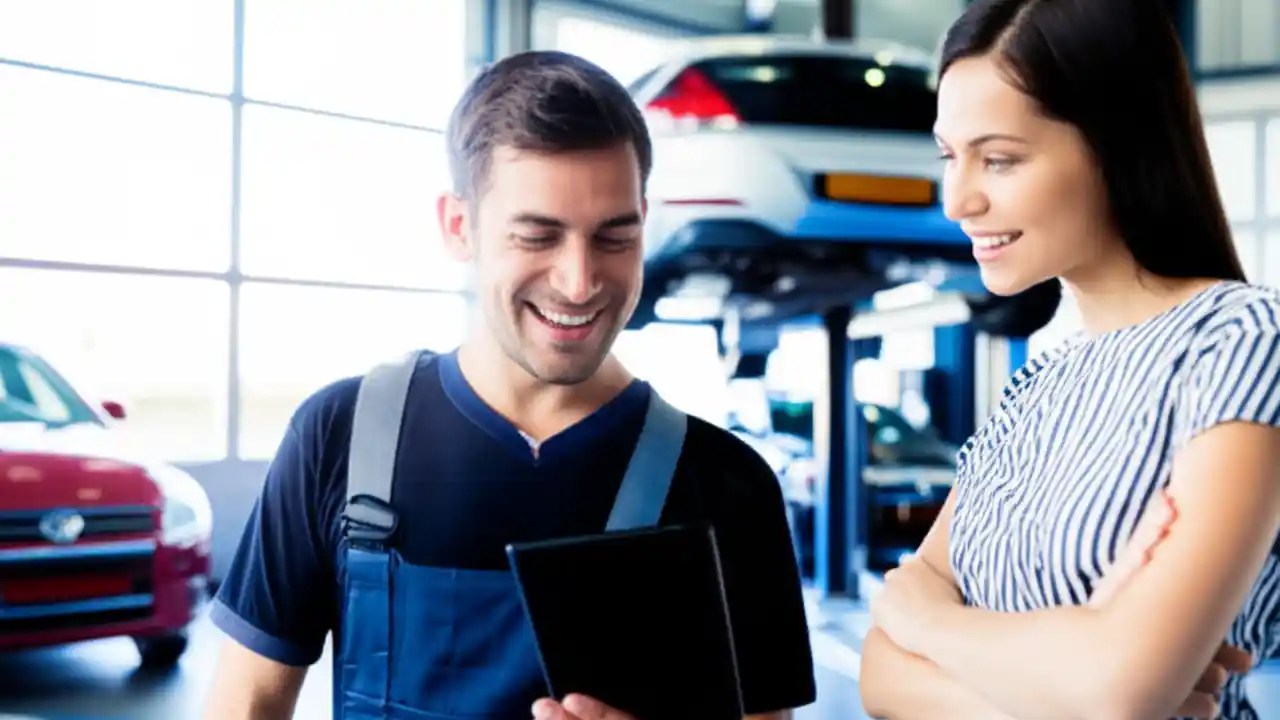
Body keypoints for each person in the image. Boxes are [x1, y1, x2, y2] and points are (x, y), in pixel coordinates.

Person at [203, 50, 815, 720]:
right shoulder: (339, 437)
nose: (579, 283)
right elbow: (247, 702)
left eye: (613, 238)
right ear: (459, 227)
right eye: (537, 237)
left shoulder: (728, 486)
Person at [859, 1, 1280, 718]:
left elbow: (1118, 688)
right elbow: (878, 674)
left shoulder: (1242, 342)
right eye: (949, 157)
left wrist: (926, 620)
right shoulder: (1035, 388)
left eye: (999, 159)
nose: (958, 201)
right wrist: (1072, 674)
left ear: (1118, 147)